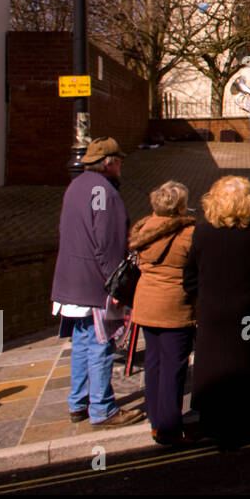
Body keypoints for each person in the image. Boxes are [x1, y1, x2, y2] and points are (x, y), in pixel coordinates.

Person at [50, 137, 144, 429]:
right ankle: (102, 409)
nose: (121, 166)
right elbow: (107, 242)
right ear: (109, 163)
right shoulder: (103, 192)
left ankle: (78, 402)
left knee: (81, 342)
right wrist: (115, 286)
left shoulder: (76, 185)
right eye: (119, 161)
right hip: (94, 285)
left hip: (71, 281)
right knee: (102, 345)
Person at [183, 176, 250, 447]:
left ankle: (212, 424)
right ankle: (244, 425)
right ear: (248, 203)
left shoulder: (202, 233)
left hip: (212, 313)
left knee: (213, 366)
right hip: (247, 314)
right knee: (246, 366)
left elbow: (189, 278)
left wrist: (205, 298)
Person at [129, 180, 197, 445]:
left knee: (153, 364)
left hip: (146, 303)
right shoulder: (187, 233)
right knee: (174, 368)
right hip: (174, 306)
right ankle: (169, 429)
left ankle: (156, 421)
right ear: (179, 205)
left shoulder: (143, 228)